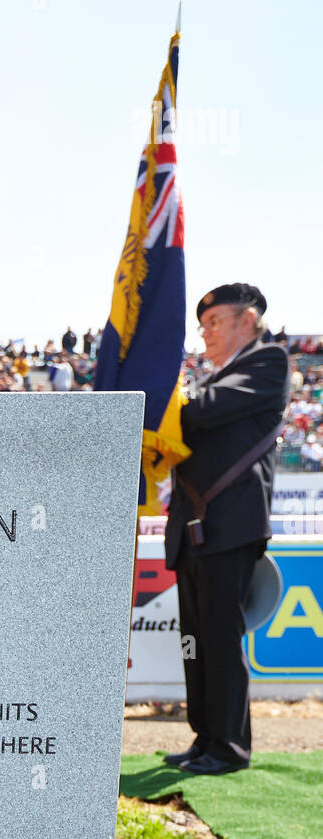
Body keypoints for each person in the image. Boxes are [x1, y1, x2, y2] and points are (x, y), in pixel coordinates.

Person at [164, 283, 290, 775]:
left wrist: (167, 395)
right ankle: (205, 736)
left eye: (214, 321)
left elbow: (202, 411)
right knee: (194, 640)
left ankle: (231, 746)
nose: (205, 332)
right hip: (194, 528)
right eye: (204, 324)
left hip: (229, 525)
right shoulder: (218, 375)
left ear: (247, 318)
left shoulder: (268, 361)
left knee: (220, 637)